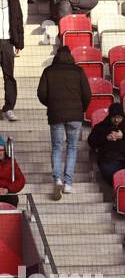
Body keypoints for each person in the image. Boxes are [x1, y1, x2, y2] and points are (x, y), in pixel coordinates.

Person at [36, 44, 89, 197]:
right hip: (75, 116)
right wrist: (81, 109)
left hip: (56, 115)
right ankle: (68, 184)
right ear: (71, 56)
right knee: (72, 148)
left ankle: (57, 179)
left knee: (57, 148)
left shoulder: (48, 71)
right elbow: (87, 94)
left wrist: (52, 105)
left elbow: (41, 93)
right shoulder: (78, 71)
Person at [88, 103, 125, 182]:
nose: (116, 120)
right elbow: (91, 140)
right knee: (110, 173)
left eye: (119, 117)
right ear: (109, 116)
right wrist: (105, 138)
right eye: (113, 117)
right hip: (110, 159)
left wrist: (124, 135)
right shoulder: (101, 126)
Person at [0, 0, 21, 124]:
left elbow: (18, 21)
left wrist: (19, 43)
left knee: (9, 76)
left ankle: (9, 108)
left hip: (8, 42)